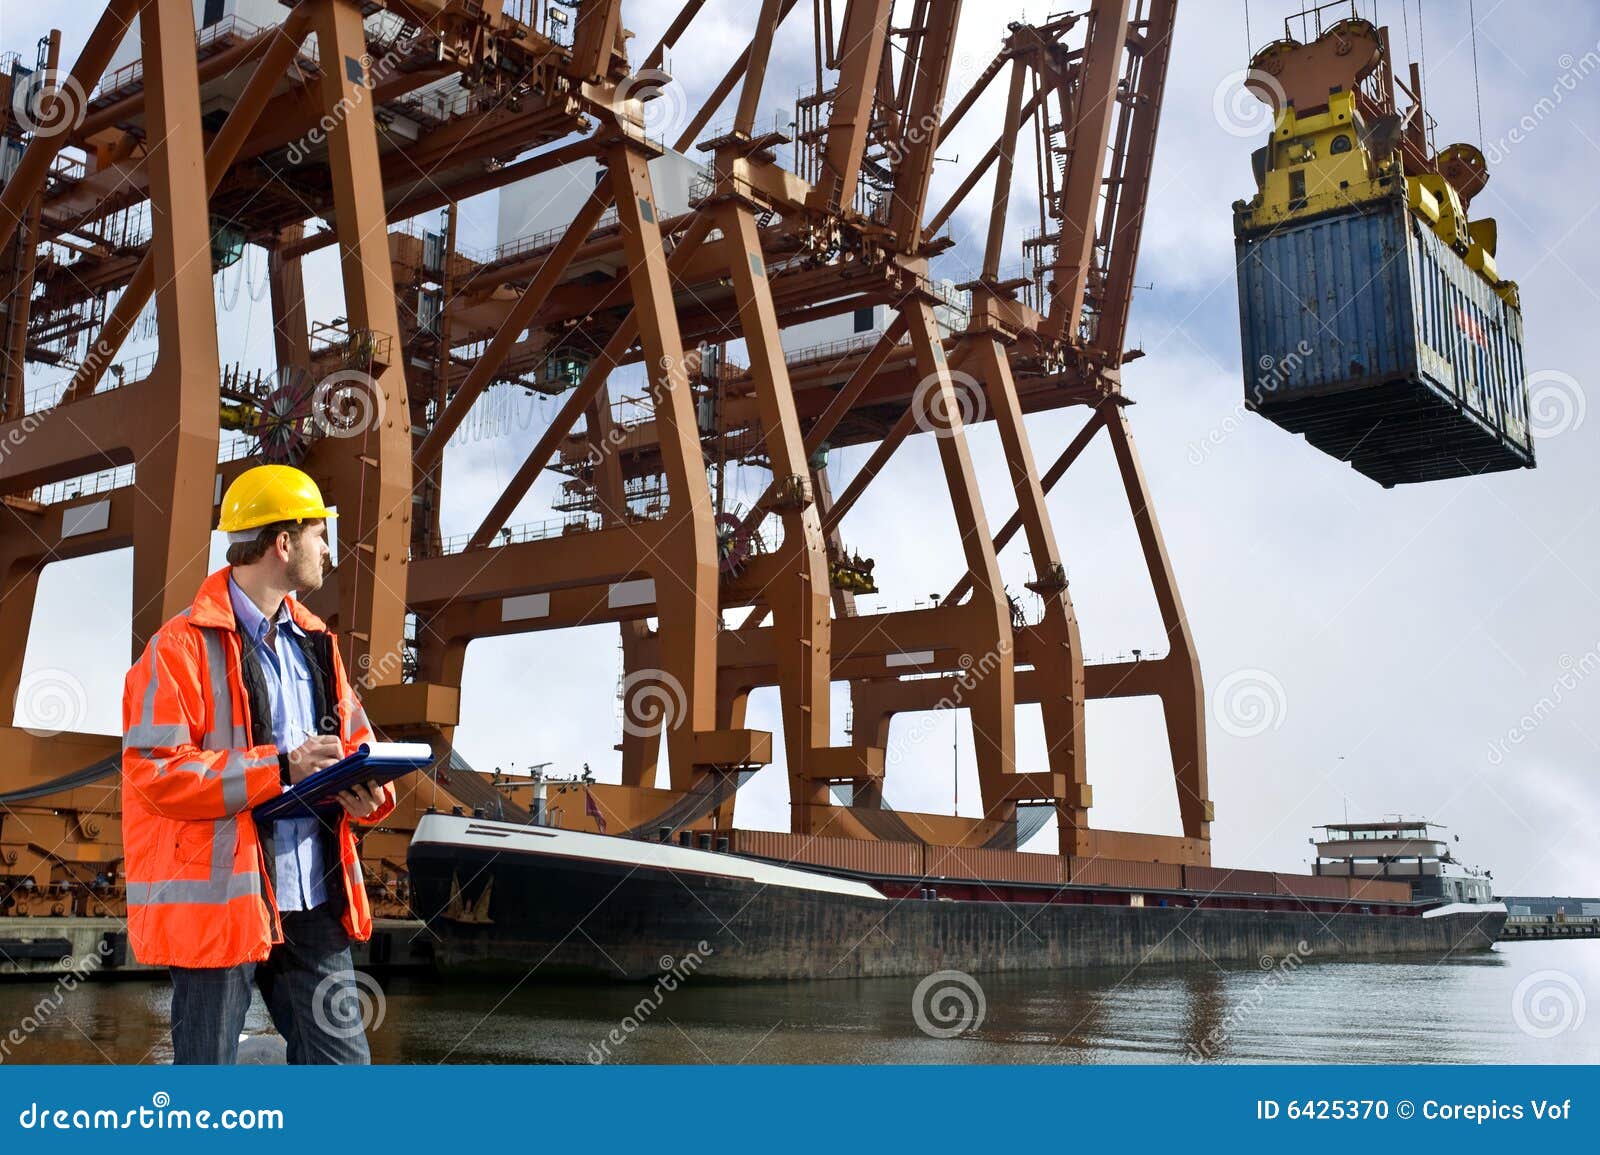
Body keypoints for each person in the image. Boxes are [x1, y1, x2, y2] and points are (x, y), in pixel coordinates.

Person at [121, 464, 395, 1064]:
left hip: (313, 897)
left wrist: (368, 793)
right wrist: (280, 766)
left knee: (345, 1071)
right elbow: (156, 773)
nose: (329, 549)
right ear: (284, 542)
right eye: (321, 534)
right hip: (223, 905)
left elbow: (354, 742)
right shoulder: (177, 649)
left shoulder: (319, 642)